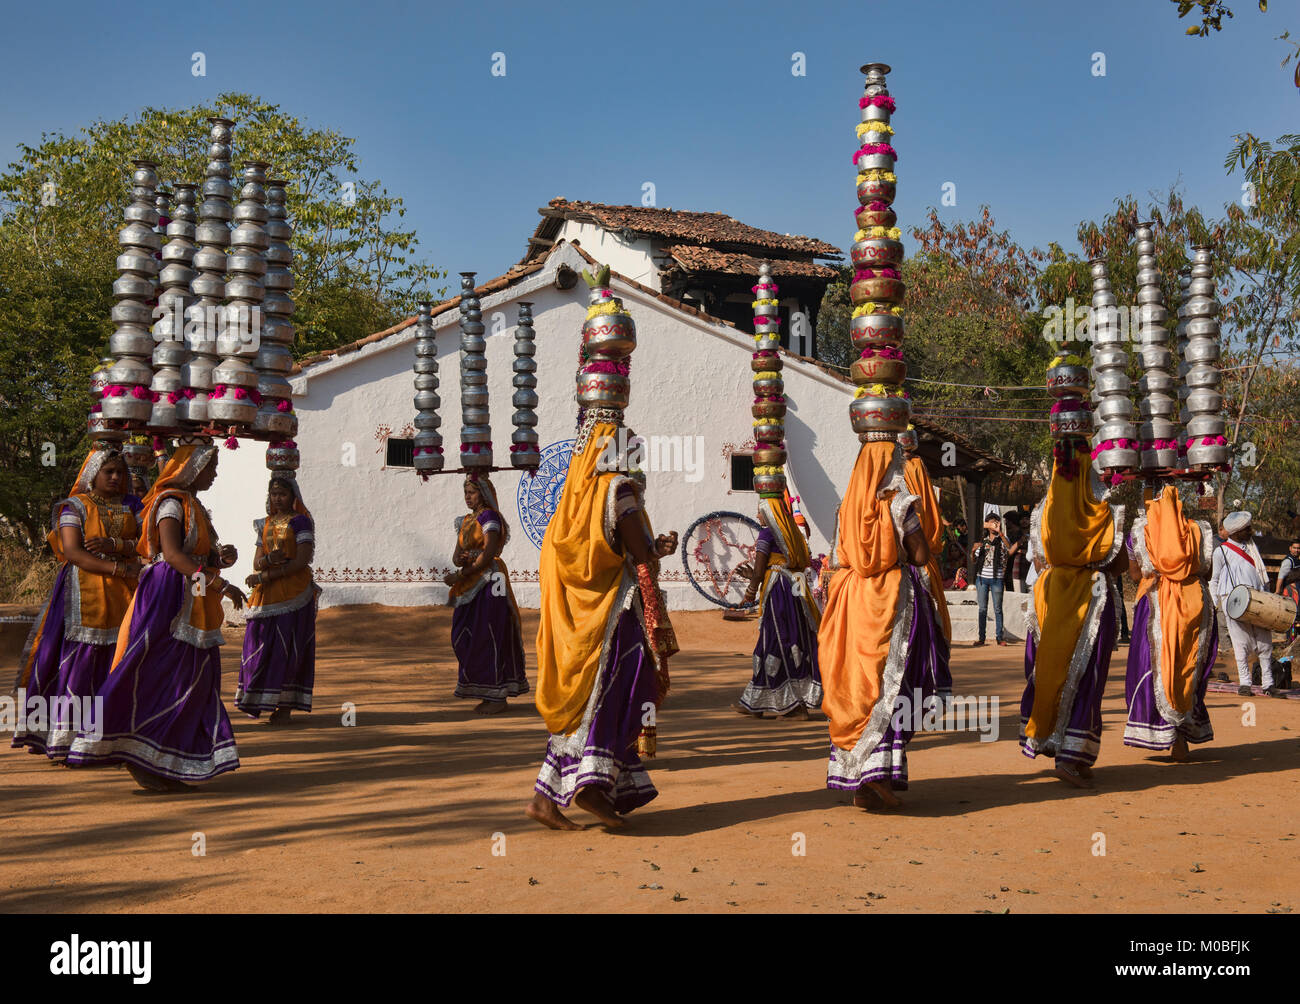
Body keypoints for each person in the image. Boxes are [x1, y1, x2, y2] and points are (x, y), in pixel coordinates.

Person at [527, 267, 678, 831]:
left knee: (590, 694)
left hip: (579, 615)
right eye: (633, 448)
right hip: (612, 615)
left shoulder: (582, 488)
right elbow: (635, 547)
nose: (637, 455)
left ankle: (547, 795)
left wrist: (646, 544)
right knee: (624, 682)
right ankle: (591, 783)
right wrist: (654, 560)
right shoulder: (621, 486)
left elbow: (593, 544)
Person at [66, 441, 246, 792]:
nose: (215, 473)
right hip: (169, 595)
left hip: (188, 595)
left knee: (193, 674)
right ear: (191, 469)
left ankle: (168, 759)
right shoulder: (170, 504)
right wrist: (219, 584)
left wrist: (219, 560)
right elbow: (174, 556)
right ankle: (142, 757)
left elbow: (195, 556)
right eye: (210, 467)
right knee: (160, 670)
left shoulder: (191, 505)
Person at [819, 436, 943, 810]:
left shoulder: (847, 508)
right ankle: (876, 777)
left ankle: (861, 778)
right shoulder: (898, 503)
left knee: (857, 687)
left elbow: (839, 554)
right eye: (896, 461)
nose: (899, 468)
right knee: (889, 687)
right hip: (888, 602)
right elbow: (920, 555)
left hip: (851, 602)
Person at [12, 448, 143, 759]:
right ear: (92, 475)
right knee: (81, 659)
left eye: (119, 472)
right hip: (85, 592)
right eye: (108, 471)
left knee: (121, 656)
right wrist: (120, 567)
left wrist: (118, 545)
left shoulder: (134, 506)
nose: (115, 477)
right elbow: (72, 551)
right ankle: (68, 736)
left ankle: (113, 736)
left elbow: (151, 540)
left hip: (126, 592)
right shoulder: (75, 506)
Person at [1020, 440, 1126, 789]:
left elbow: (1038, 561)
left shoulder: (1043, 511)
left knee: (1051, 670)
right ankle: (1072, 755)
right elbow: (1120, 564)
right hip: (1092, 596)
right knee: (1087, 675)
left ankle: (1054, 742)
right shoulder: (1101, 508)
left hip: (1050, 595)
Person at [1122, 486, 1218, 760]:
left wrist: (1160, 574)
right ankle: (1182, 737)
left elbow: (1133, 572)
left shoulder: (1140, 530)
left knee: (1158, 669)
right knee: (1188, 670)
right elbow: (1207, 572)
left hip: (1156, 606)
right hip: (1196, 606)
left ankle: (1166, 735)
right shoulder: (1199, 530)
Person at [442, 474, 528, 714]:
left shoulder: (490, 517)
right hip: (469, 583)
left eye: (472, 492)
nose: (468, 497)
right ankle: (484, 690)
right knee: (463, 635)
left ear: (484, 493)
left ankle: (497, 694)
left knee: (488, 634)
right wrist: (459, 561)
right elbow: (456, 555)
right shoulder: (465, 521)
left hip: (490, 582)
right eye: (466, 493)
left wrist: (460, 574)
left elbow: (488, 553)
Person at [734, 490, 822, 719]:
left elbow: (761, 569)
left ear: (769, 512)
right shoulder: (791, 531)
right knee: (788, 640)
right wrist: (755, 575)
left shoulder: (767, 533)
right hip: (795, 589)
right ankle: (755, 701)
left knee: (777, 642)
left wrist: (750, 591)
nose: (758, 514)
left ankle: (793, 705)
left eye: (761, 510)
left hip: (777, 591)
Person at [237, 475, 319, 723]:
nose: (278, 498)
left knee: (288, 647)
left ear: (293, 497)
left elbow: (302, 561)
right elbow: (257, 561)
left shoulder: (301, 522)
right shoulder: (264, 523)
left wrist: (267, 574)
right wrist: (266, 563)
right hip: (267, 595)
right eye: (274, 494)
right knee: (259, 644)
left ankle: (283, 707)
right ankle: (257, 699)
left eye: (282, 494)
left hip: (294, 593)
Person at [1210, 510, 1279, 695]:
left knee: (1265, 644)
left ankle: (1268, 684)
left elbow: (1260, 576)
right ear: (1236, 532)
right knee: (1241, 644)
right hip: (1233, 602)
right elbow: (1214, 580)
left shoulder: (1252, 548)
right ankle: (1245, 683)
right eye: (1246, 528)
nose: (1250, 531)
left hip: (1258, 600)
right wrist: (1217, 603)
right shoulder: (1221, 551)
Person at [970, 513, 1009, 646]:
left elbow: (1009, 548)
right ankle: (982, 638)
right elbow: (974, 560)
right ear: (987, 525)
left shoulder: (1002, 540)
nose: (994, 524)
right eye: (991, 522)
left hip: (997, 578)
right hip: (982, 578)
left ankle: (999, 637)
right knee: (982, 609)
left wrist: (1001, 533)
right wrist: (972, 551)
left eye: (996, 522)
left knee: (997, 608)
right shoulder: (983, 541)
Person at [1274, 538, 1300, 689]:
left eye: (1299, 548)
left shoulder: (1296, 560)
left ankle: (1292, 644)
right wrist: (1277, 593)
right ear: (1290, 548)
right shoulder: (1288, 562)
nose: (1297, 550)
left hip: (1295, 593)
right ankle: (1289, 645)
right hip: (1290, 595)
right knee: (1290, 622)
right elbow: (1280, 578)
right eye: (1295, 548)